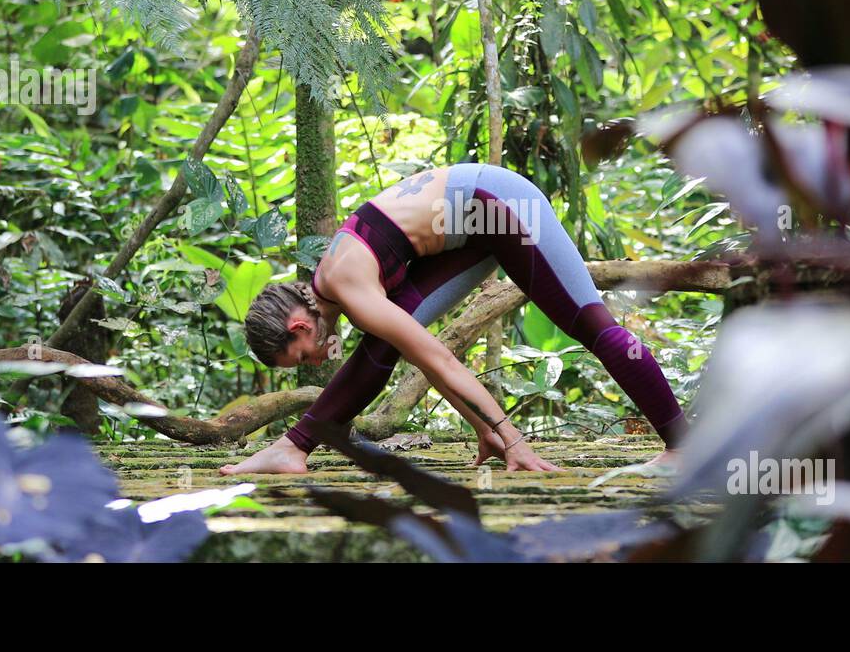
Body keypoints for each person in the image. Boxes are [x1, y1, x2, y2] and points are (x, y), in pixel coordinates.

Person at [219, 164, 688, 475]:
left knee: (593, 326)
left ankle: (684, 448)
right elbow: (423, 357)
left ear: (301, 326)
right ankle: (293, 446)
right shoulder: (339, 284)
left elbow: (440, 359)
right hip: (471, 231)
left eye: (303, 356)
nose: (317, 359)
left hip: (499, 205)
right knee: (384, 343)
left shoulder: (346, 285)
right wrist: (486, 429)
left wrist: (512, 436)